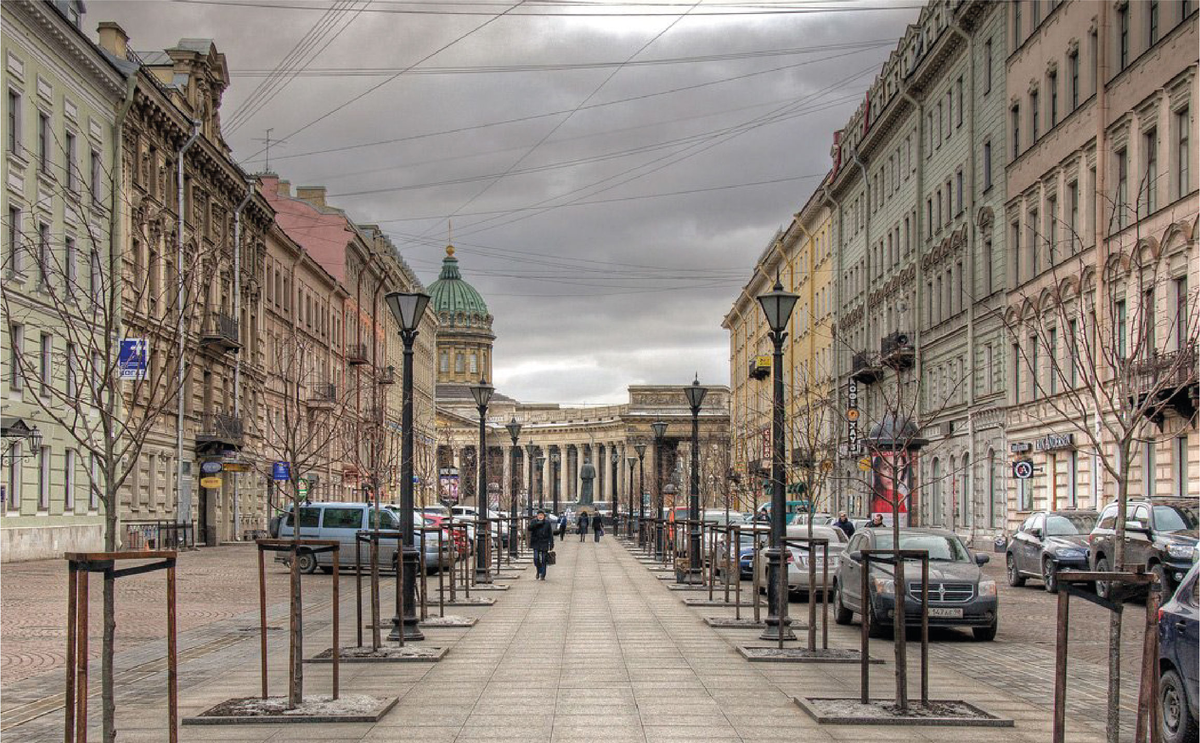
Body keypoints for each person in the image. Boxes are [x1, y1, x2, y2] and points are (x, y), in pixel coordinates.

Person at [529, 510, 555, 580]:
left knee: (544, 559)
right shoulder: (534, 521)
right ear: (537, 516)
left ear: (544, 516)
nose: (540, 516)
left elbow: (550, 534)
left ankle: (543, 574)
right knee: (536, 558)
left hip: (544, 542)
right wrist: (536, 524)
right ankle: (538, 570)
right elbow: (529, 528)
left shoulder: (547, 523)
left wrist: (551, 543)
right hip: (536, 542)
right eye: (539, 515)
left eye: (542, 515)